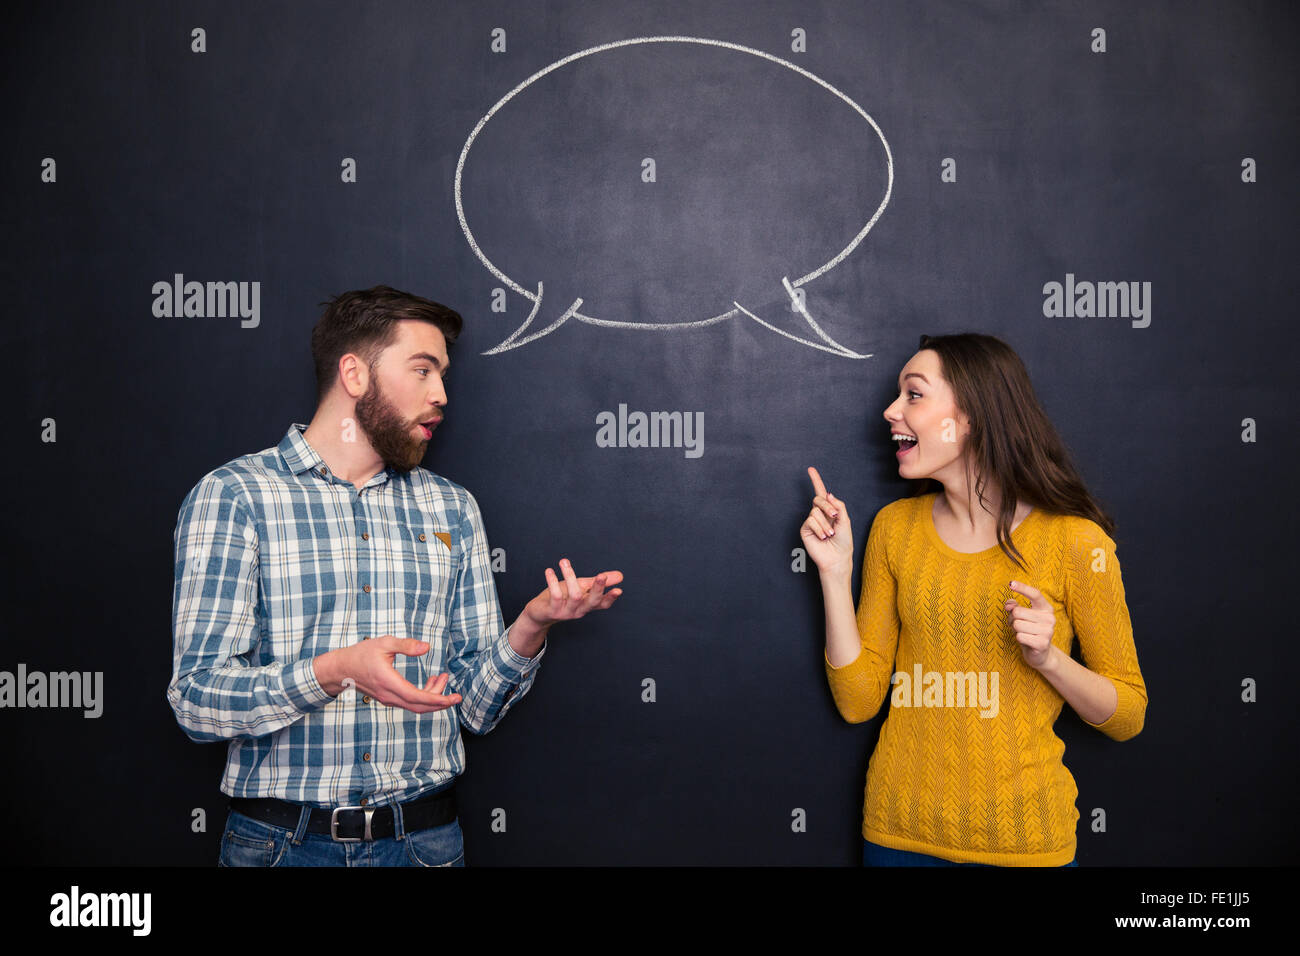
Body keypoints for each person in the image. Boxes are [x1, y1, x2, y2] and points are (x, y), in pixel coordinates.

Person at [168, 284, 623, 866]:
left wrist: (532, 625)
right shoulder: (235, 497)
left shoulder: (452, 509)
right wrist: (333, 672)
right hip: (282, 848)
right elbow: (197, 701)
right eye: (422, 370)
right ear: (354, 374)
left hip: (423, 845)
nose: (441, 395)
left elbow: (474, 710)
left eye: (444, 377)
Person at [801, 332, 1146, 867]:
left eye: (914, 395)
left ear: (973, 417)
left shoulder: (1076, 543)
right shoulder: (894, 529)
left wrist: (1049, 660)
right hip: (898, 837)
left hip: (1026, 846)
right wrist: (834, 571)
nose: (891, 411)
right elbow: (858, 701)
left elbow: (1128, 715)